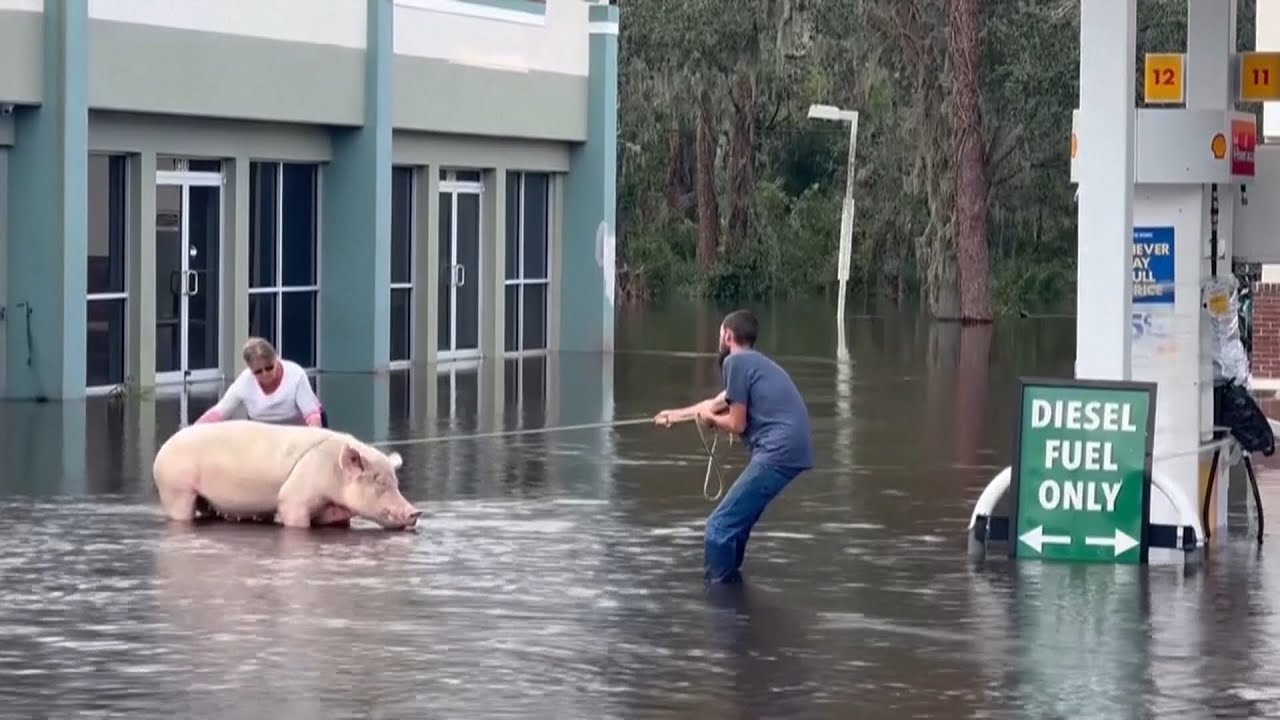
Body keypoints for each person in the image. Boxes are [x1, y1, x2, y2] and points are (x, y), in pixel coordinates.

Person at [654, 309, 814, 584]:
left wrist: (712, 421)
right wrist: (674, 415)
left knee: (718, 527)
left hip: (778, 451)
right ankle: (733, 596)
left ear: (727, 336)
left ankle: (718, 594)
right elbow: (715, 404)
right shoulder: (753, 364)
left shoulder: (735, 362)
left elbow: (737, 424)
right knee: (736, 526)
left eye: (720, 335)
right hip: (792, 450)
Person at [195, 337, 328, 428]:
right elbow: (219, 412)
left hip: (302, 429)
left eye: (269, 368)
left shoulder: (295, 374)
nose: (265, 374)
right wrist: (190, 432)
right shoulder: (244, 382)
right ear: (250, 370)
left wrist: (314, 442)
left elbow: (312, 416)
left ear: (276, 360)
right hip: (266, 433)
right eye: (258, 371)